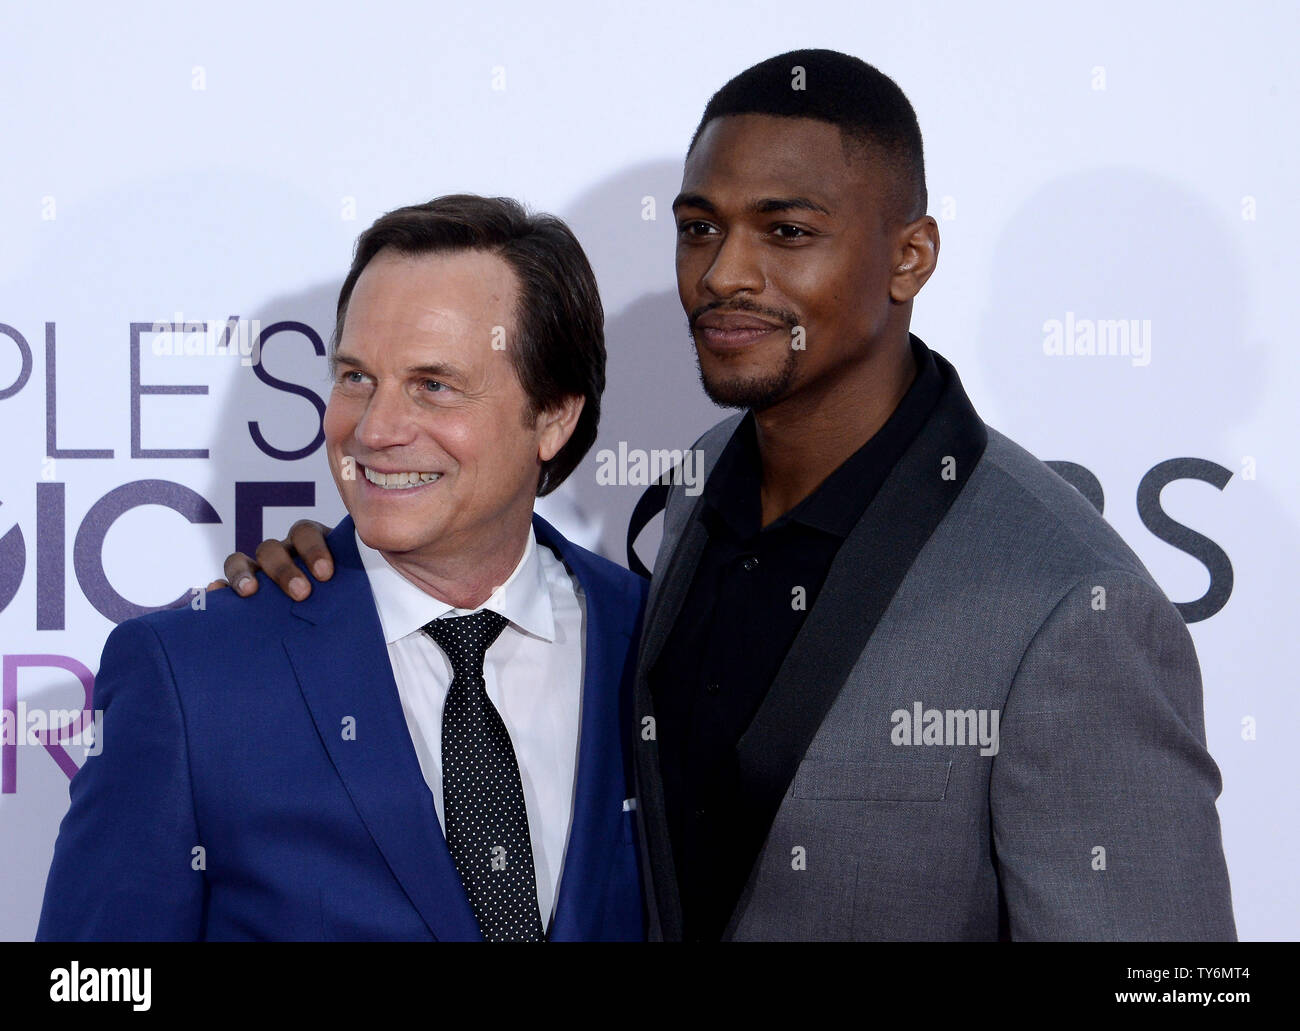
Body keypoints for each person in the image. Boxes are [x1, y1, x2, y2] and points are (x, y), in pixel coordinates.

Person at [220, 51, 1236, 941]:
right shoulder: (698, 488)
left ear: (910, 257)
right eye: (700, 228)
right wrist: (343, 587)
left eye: (786, 231)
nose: (723, 274)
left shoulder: (1066, 603)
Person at [37, 195, 645, 941]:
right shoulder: (192, 675)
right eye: (356, 377)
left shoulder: (654, 639)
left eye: (433, 384)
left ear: (554, 416)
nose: (374, 429)